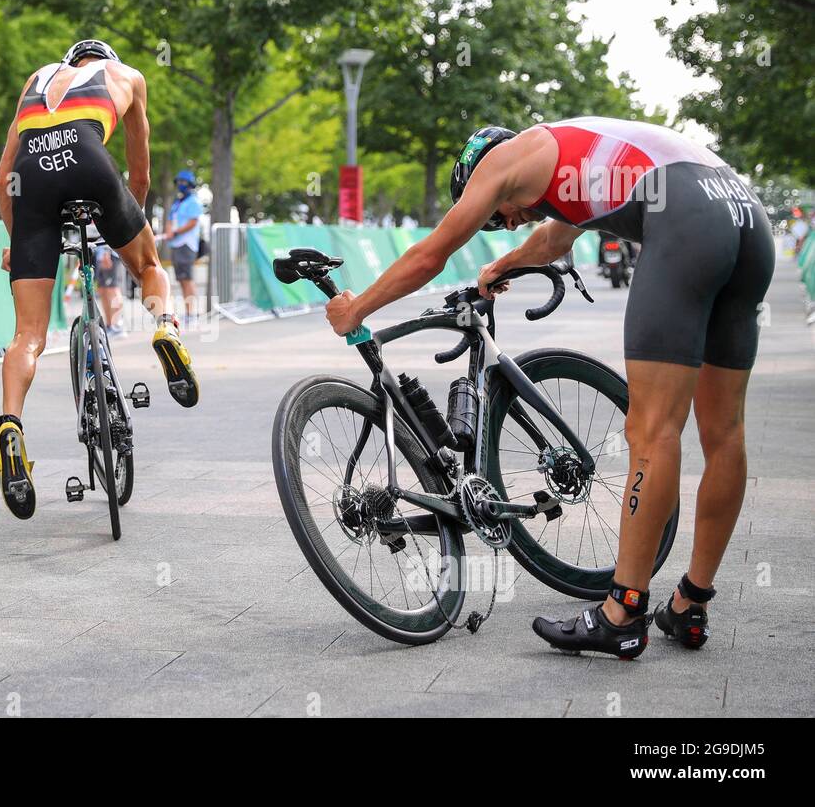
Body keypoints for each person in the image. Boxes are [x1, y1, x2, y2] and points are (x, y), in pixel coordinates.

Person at [325, 117, 774, 660]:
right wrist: (506, 264)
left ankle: (622, 613)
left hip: (687, 218)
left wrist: (358, 309)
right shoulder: (570, 159)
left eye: (496, 216)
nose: (506, 224)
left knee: (653, 429)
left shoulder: (506, 157)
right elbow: (554, 239)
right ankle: (691, 603)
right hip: (745, 213)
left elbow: (431, 255)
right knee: (724, 433)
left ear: (478, 176)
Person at [0, 39, 200, 519]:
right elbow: (140, 172)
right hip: (90, 160)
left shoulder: (36, 77)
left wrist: (21, 242)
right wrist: (131, 228)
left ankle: (10, 425)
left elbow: (3, 182)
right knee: (150, 268)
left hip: (33, 175)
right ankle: (166, 329)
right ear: (105, 60)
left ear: (67, 62)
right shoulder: (128, 76)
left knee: (27, 335)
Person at [165, 169, 203, 322]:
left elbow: (193, 222)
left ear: (190, 184)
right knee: (181, 279)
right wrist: (169, 231)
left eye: (183, 182)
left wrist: (176, 231)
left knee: (187, 279)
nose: (180, 185)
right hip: (176, 244)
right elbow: (169, 220)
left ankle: (192, 313)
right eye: (178, 182)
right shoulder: (177, 203)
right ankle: (188, 312)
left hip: (186, 244)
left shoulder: (193, 201)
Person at [94, 242, 125, 336]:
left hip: (110, 254)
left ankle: (117, 325)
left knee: (112, 290)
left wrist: (106, 252)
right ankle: (109, 325)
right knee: (103, 291)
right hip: (99, 255)